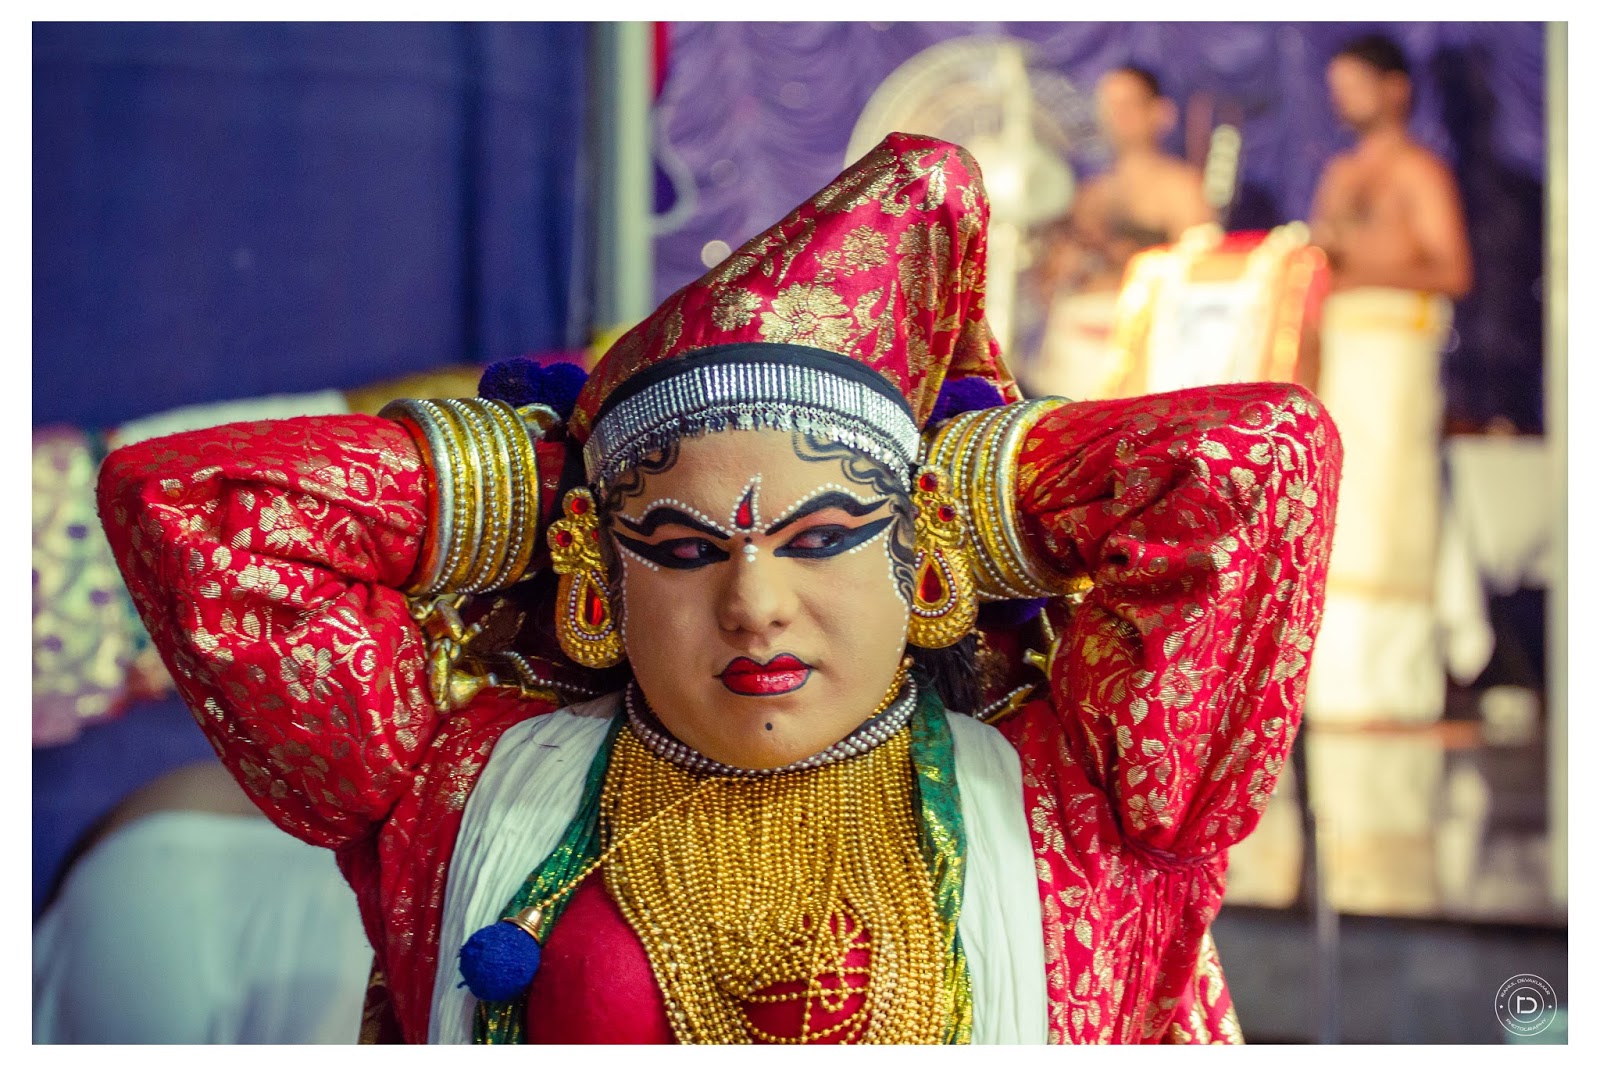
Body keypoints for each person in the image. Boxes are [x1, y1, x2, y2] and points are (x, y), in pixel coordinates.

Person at [97, 133, 1341, 1044]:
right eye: (687, 550)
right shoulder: (457, 784)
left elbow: (1262, 462)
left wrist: (979, 483)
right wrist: (535, 490)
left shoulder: (1080, 803)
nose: (753, 601)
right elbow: (187, 505)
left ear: (918, 559)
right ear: (601, 572)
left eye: (822, 538)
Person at [1305, 33, 1474, 725]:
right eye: (1337, 85)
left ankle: (1392, 685)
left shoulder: (1420, 172)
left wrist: (1355, 271)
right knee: (1341, 508)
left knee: (1388, 511)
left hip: (1395, 356)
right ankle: (1333, 688)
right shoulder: (1339, 174)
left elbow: (1452, 271)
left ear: (1396, 88)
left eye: (1358, 84)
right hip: (1341, 353)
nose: (1345, 98)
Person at [1028, 65, 1215, 400]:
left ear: (1160, 113)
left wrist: (1120, 256)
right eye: (1109, 106)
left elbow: (1199, 278)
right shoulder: (1091, 194)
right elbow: (1050, 281)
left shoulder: (1181, 189)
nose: (1117, 117)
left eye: (1128, 105)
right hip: (1078, 349)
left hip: (1147, 347)